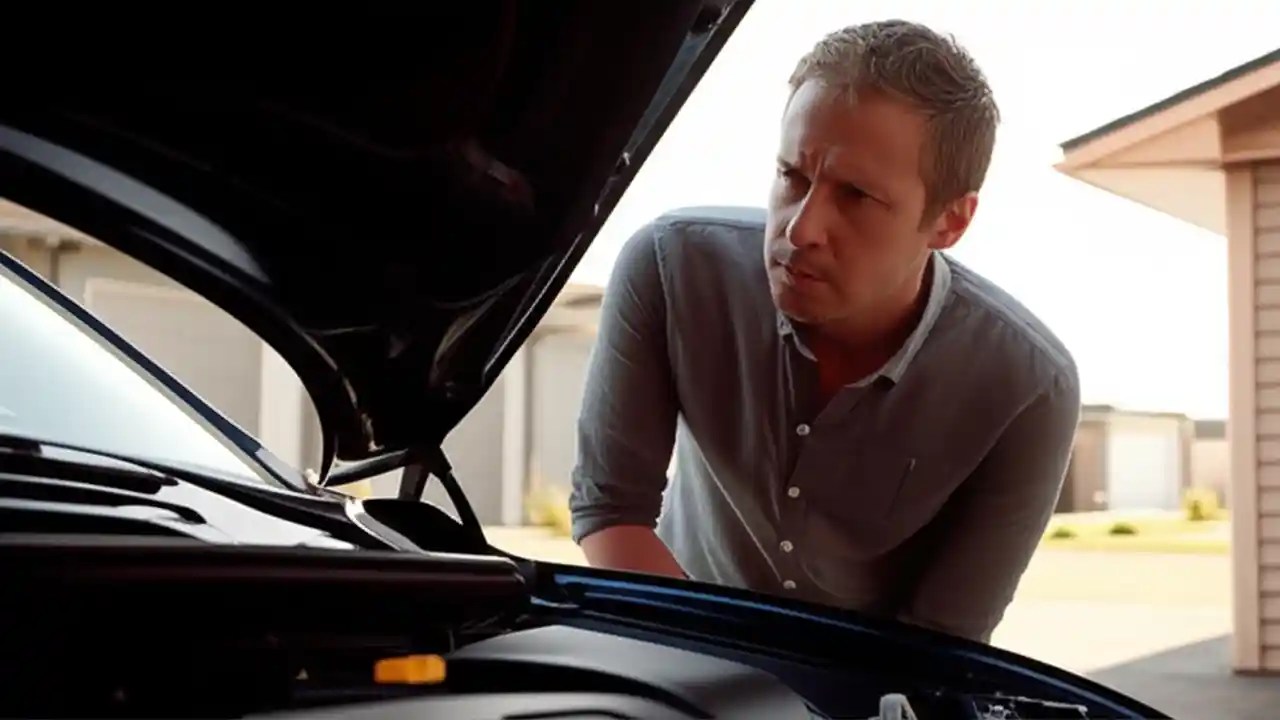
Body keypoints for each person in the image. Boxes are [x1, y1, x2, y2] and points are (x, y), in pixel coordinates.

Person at [567, 19, 1080, 644]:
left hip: (870, 693)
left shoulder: (1027, 387)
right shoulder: (672, 270)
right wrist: (707, 682)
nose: (801, 229)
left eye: (857, 196)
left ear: (949, 221)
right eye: (793, 176)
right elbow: (611, 510)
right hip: (672, 643)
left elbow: (945, 637)